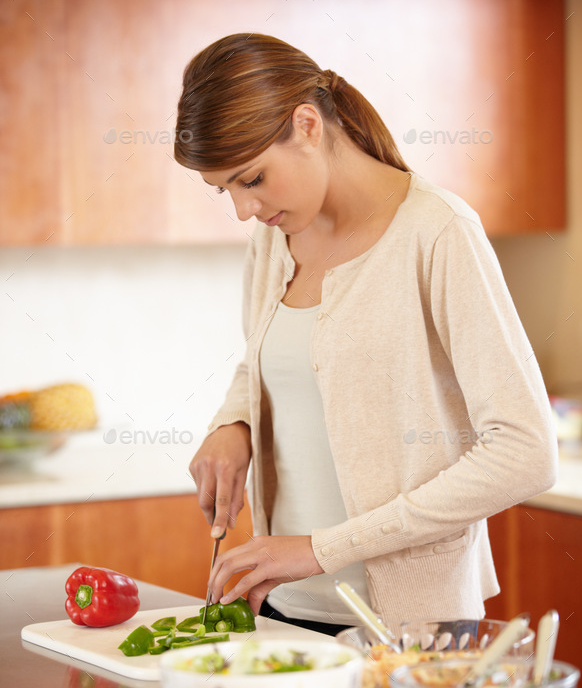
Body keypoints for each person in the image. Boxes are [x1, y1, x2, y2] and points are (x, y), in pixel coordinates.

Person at [174, 32, 557, 635]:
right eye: (225, 190)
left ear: (306, 125)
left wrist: (320, 549)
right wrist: (234, 422)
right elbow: (264, 361)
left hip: (411, 631)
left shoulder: (437, 232)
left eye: (251, 179)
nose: (242, 210)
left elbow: (526, 452)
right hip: (282, 611)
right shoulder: (275, 239)